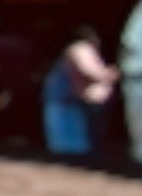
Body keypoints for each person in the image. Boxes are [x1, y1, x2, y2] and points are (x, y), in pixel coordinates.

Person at [44, 30, 119, 164]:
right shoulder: (81, 49)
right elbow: (87, 70)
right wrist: (108, 75)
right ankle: (84, 157)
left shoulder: (76, 51)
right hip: (81, 98)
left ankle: (81, 154)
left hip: (76, 97)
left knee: (80, 129)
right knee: (85, 130)